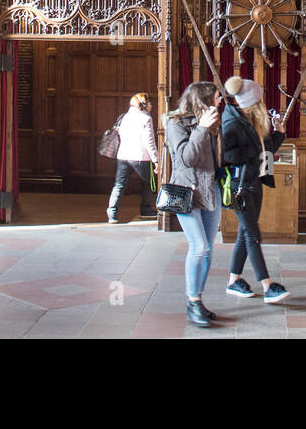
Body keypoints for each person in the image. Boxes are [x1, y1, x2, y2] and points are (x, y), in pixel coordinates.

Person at [220, 76, 289, 304]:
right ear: (254, 103)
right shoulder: (232, 123)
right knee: (252, 235)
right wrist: (249, 157)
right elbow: (225, 155)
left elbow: (265, 151)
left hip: (255, 183)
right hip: (241, 186)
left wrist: (279, 134)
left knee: (245, 234)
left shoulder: (253, 123)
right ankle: (268, 285)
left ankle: (233, 281)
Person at [165, 81, 224, 327]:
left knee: (208, 248)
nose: (220, 102)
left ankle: (198, 300)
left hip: (210, 190)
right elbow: (186, 159)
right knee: (198, 246)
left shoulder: (212, 125)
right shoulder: (175, 124)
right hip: (186, 191)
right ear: (204, 100)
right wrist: (201, 128)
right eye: (217, 98)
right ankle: (191, 302)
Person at [107, 93, 158, 224]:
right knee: (148, 184)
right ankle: (146, 208)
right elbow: (149, 141)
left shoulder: (125, 117)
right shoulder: (146, 118)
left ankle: (112, 212)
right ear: (143, 105)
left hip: (123, 156)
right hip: (141, 157)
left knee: (119, 185)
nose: (151, 105)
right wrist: (156, 160)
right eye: (149, 103)